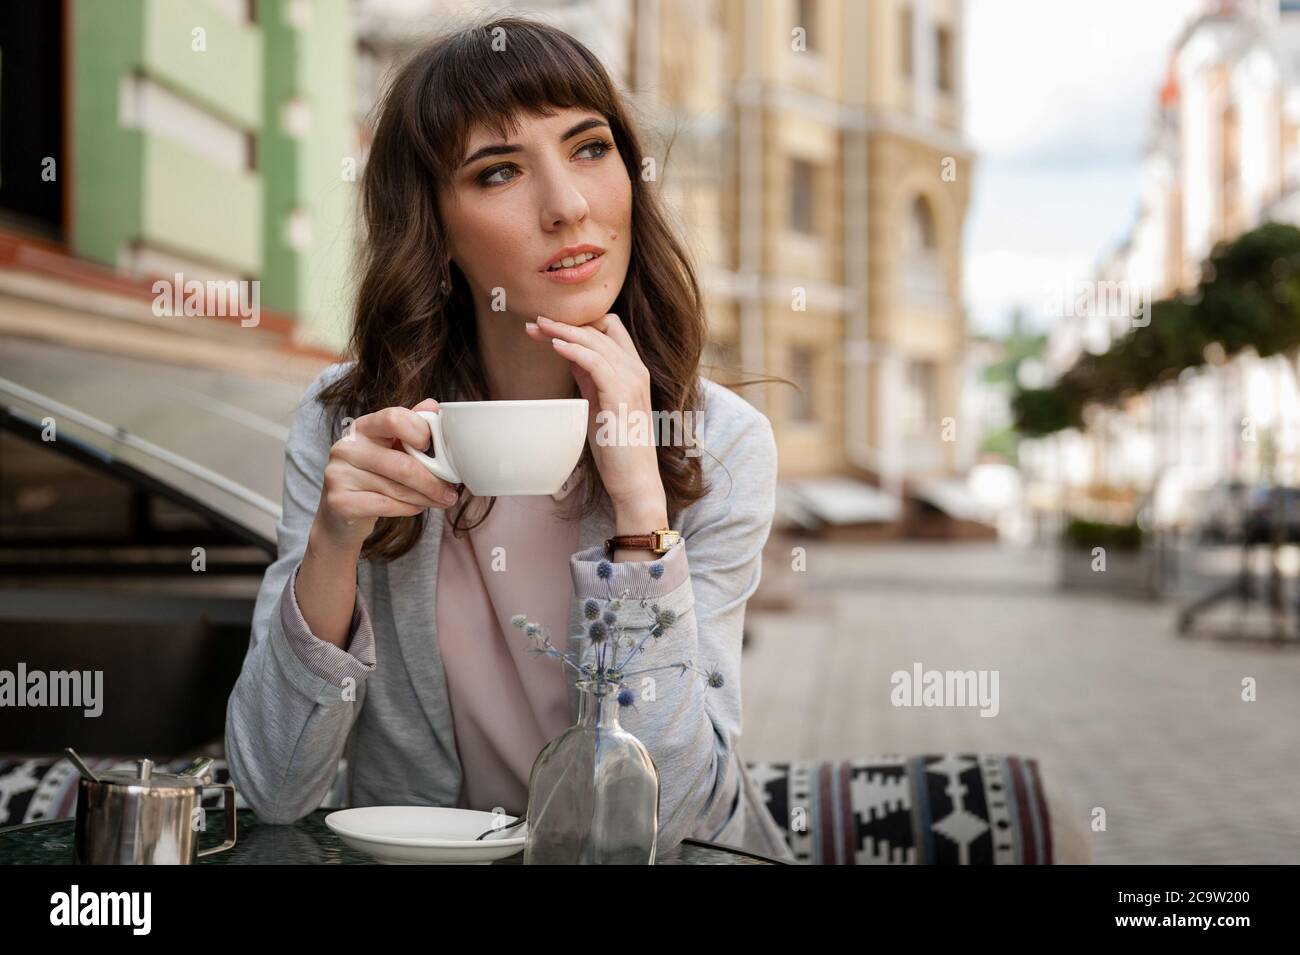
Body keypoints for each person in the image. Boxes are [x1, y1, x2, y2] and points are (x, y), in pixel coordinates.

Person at [225, 15, 794, 862]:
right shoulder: (349, 424)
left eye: (590, 149)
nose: (568, 206)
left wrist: (641, 511)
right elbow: (270, 791)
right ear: (436, 232)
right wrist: (332, 549)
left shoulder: (718, 446)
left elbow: (670, 815)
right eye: (498, 172)